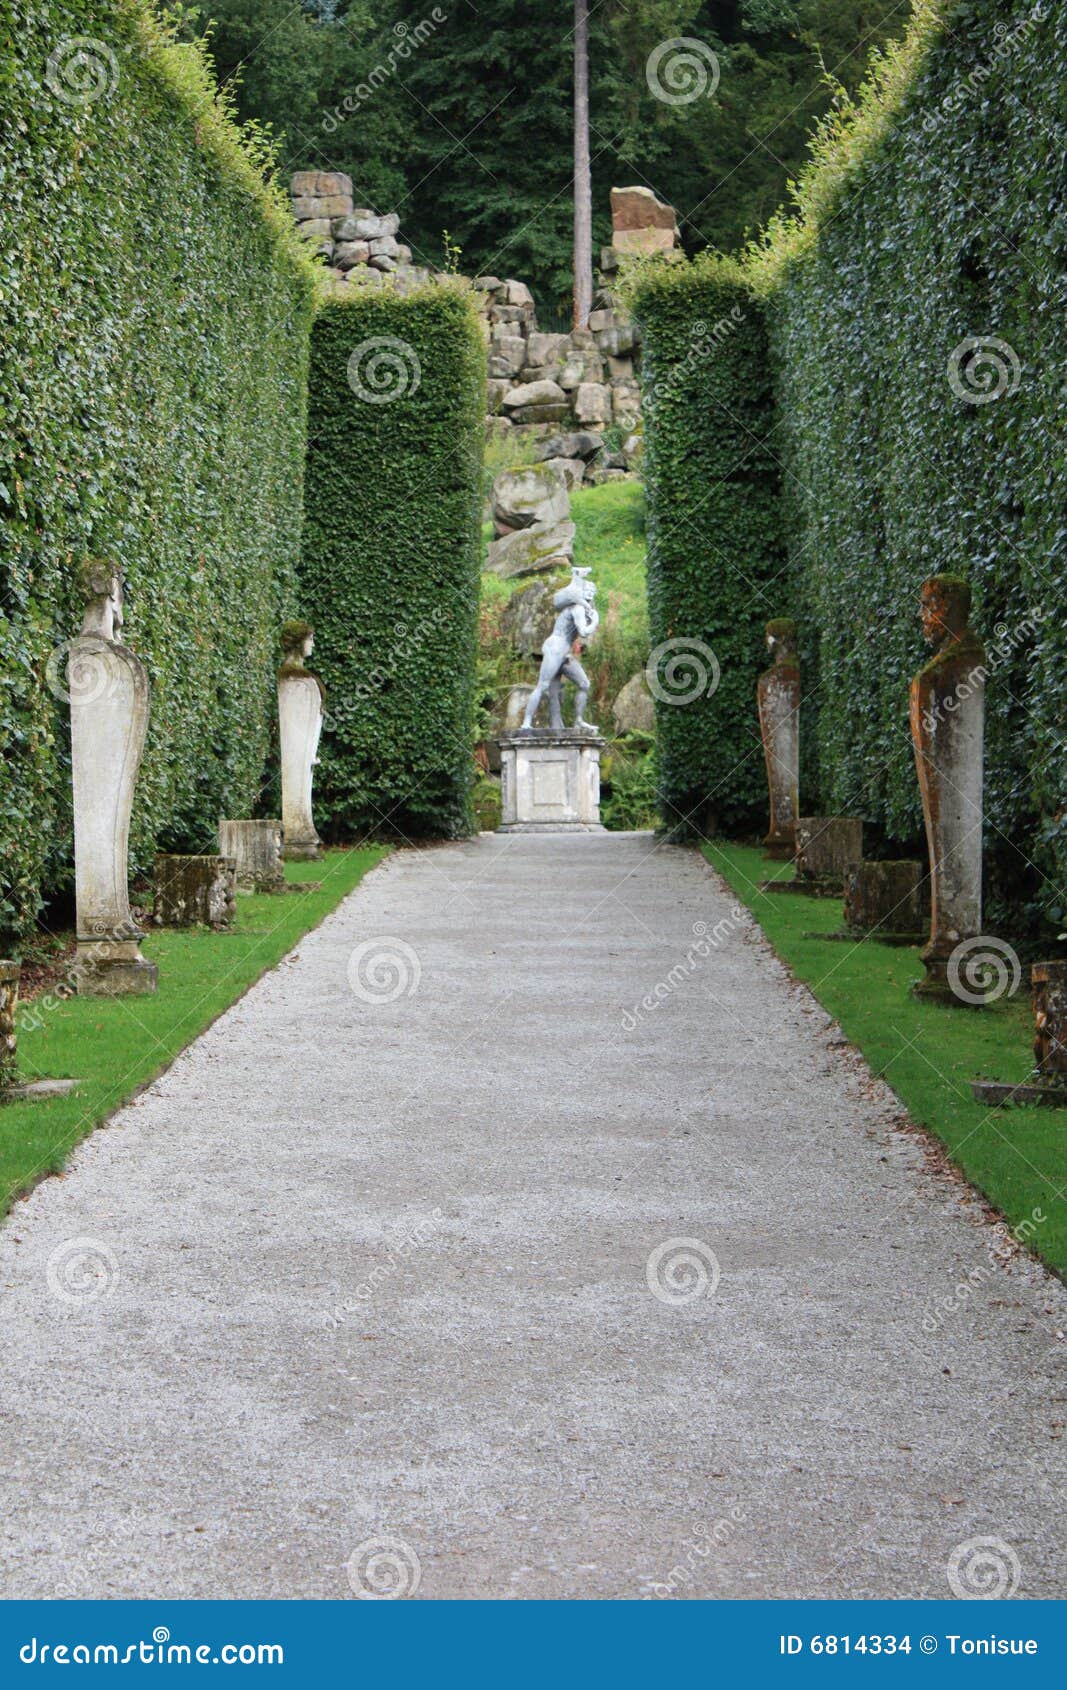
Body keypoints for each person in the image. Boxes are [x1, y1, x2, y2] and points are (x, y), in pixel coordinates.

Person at [521, 568, 599, 731]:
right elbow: (584, 632)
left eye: (593, 592)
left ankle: (578, 720)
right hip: (556, 647)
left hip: (565, 653)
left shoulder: (581, 608)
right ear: (581, 591)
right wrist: (595, 621)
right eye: (588, 590)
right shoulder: (577, 608)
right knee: (543, 685)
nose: (591, 594)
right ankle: (526, 722)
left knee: (584, 684)